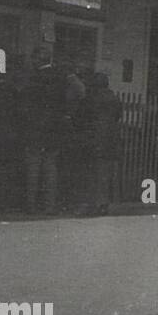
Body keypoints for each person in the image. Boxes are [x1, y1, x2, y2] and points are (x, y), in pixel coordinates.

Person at [19, 46, 71, 214]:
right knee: (50, 166)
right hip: (54, 129)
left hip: (35, 128)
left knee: (33, 166)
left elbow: (25, 105)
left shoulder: (34, 79)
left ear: (37, 60)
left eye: (33, 59)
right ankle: (49, 205)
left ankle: (31, 205)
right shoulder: (61, 78)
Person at [73, 71, 122, 215]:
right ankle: (103, 204)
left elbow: (79, 118)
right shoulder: (114, 98)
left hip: (92, 140)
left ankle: (89, 204)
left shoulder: (89, 99)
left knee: (90, 174)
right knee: (104, 174)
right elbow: (118, 117)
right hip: (109, 141)